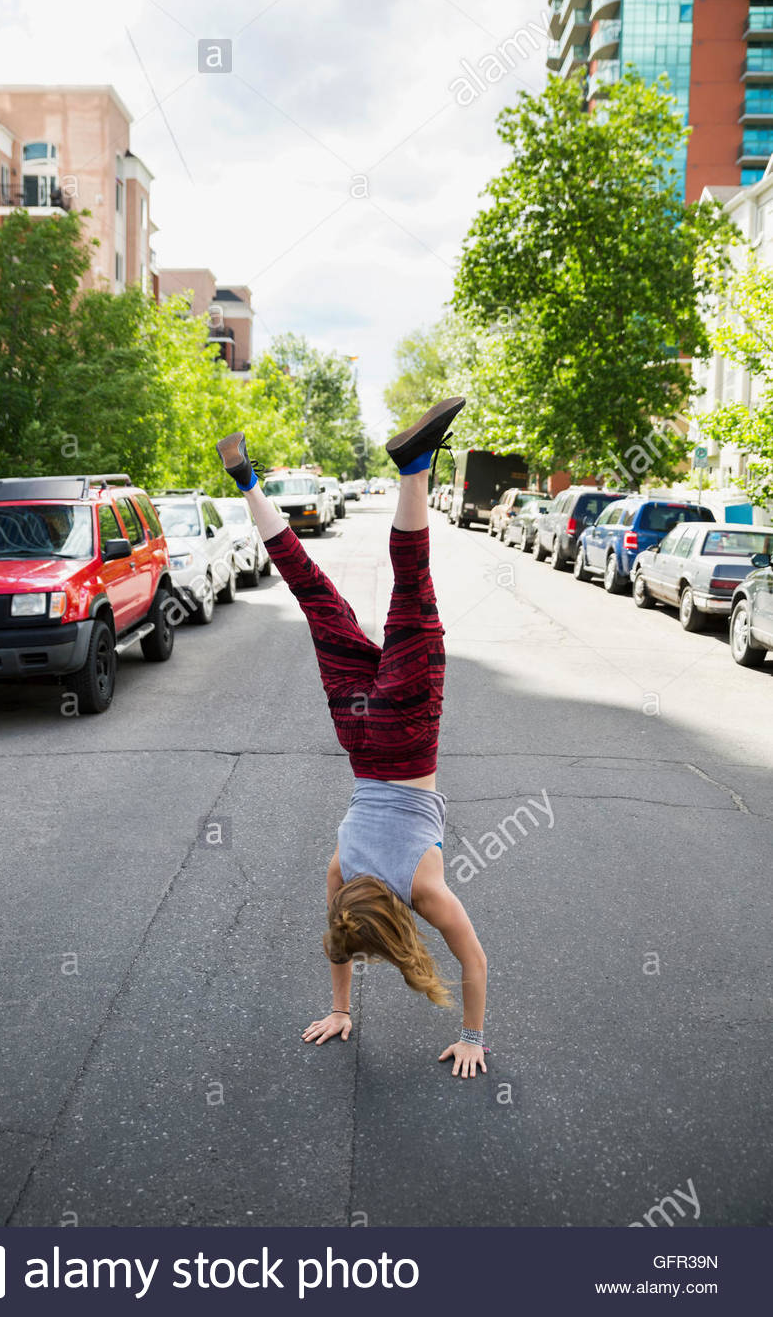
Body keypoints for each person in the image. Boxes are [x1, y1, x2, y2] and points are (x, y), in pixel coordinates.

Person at [216, 397, 490, 1079]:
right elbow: (338, 940)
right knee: (312, 592)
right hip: (359, 732)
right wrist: (337, 1007)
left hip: (409, 729)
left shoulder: (424, 893)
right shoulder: (340, 873)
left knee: (413, 585)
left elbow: (473, 960)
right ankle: (248, 482)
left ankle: (415, 470)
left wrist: (474, 1037)